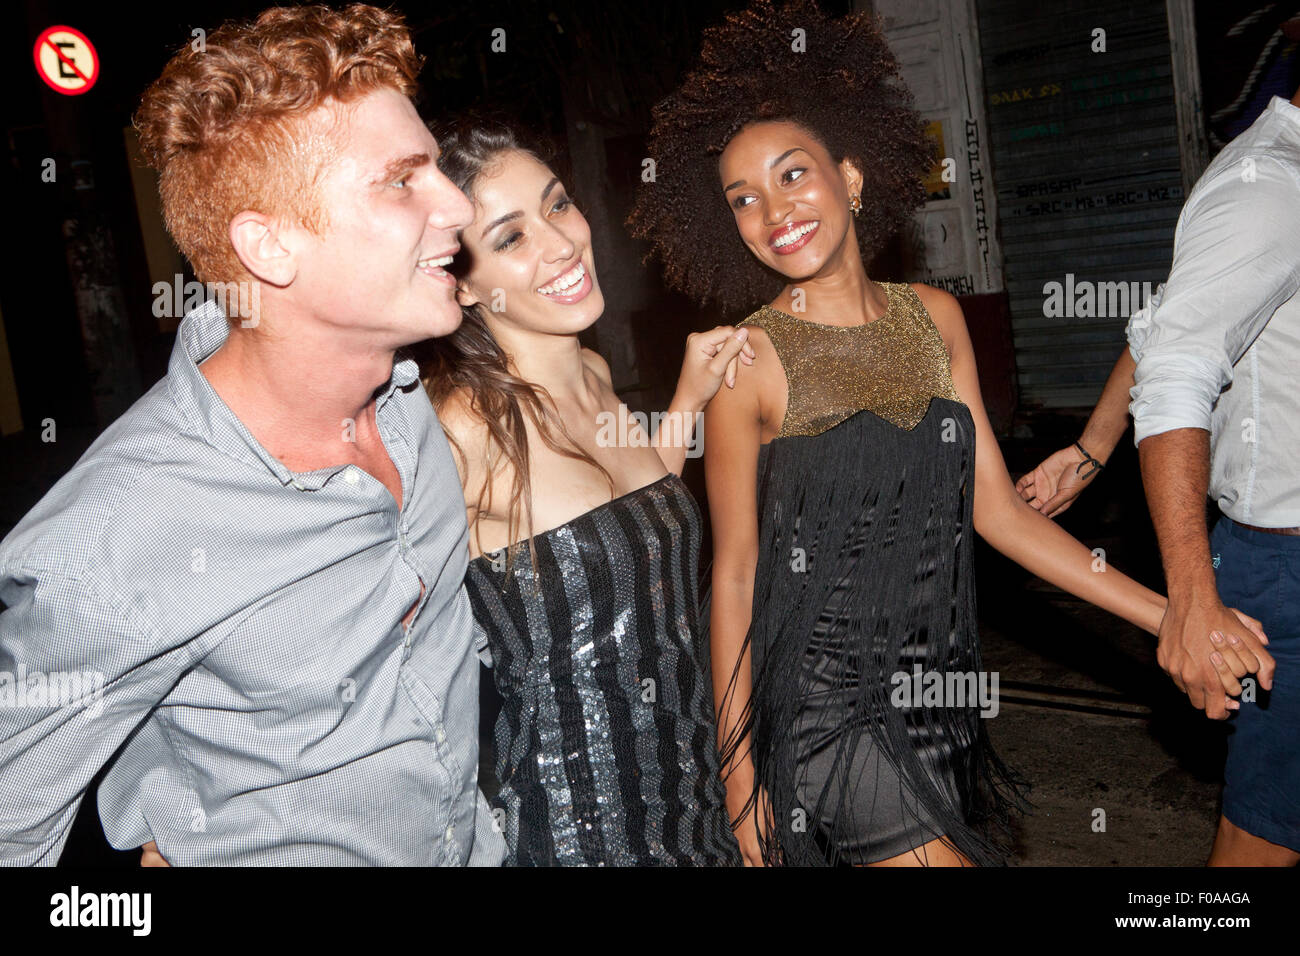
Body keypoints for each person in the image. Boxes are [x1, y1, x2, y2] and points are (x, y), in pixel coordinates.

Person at [628, 0, 1264, 867]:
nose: (772, 210)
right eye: (743, 197)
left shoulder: (937, 320)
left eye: (792, 175)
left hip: (934, 694)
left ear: (850, 179)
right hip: (826, 710)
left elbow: (1000, 516)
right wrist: (745, 795)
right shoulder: (751, 364)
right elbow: (735, 580)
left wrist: (1174, 617)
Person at [0, 4, 504, 866]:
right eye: (400, 179)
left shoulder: (410, 405)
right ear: (268, 248)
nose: (457, 202)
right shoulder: (125, 529)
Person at [418, 118, 748, 865]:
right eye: (510, 238)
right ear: (460, 279)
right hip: (577, 830)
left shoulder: (597, 376)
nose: (562, 244)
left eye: (558, 205)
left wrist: (688, 402)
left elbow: (639, 526)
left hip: (693, 802)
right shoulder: (458, 425)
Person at [1018, 67, 1299, 866]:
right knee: (1265, 840)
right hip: (1286, 563)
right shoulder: (1268, 186)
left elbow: (1164, 320)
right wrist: (1189, 600)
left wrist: (1088, 450)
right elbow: (1179, 361)